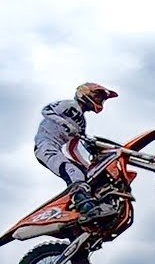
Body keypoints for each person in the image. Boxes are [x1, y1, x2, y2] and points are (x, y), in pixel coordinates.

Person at [33, 83, 120, 223]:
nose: (99, 101)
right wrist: (65, 124)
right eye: (97, 96)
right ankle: (86, 208)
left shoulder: (82, 123)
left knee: (87, 175)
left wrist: (89, 164)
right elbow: (46, 110)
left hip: (58, 149)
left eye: (101, 99)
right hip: (45, 145)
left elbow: (73, 148)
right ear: (85, 93)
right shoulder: (69, 104)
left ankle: (96, 205)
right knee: (73, 172)